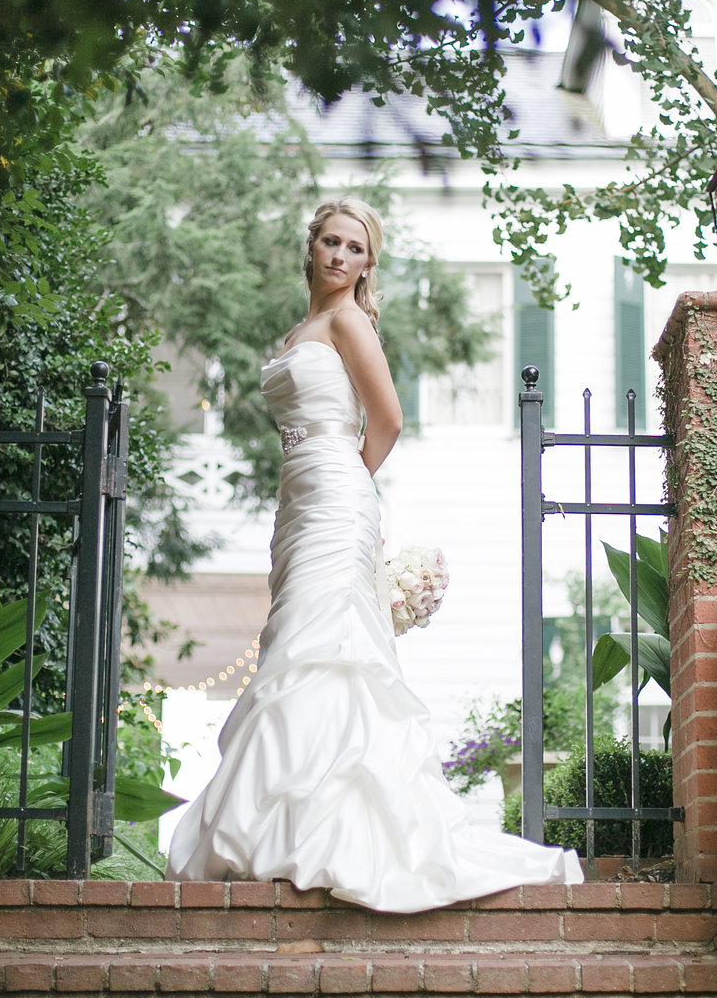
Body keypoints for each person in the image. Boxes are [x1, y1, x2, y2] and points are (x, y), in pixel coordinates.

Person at [165, 197, 582, 911]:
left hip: (334, 494)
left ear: (366, 265)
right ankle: (292, 824)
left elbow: (386, 418)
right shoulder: (302, 327)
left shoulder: (348, 321)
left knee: (319, 648)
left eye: (355, 248)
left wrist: (346, 485)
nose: (339, 255)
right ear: (311, 247)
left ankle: (320, 835)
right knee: (295, 647)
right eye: (330, 240)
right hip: (297, 501)